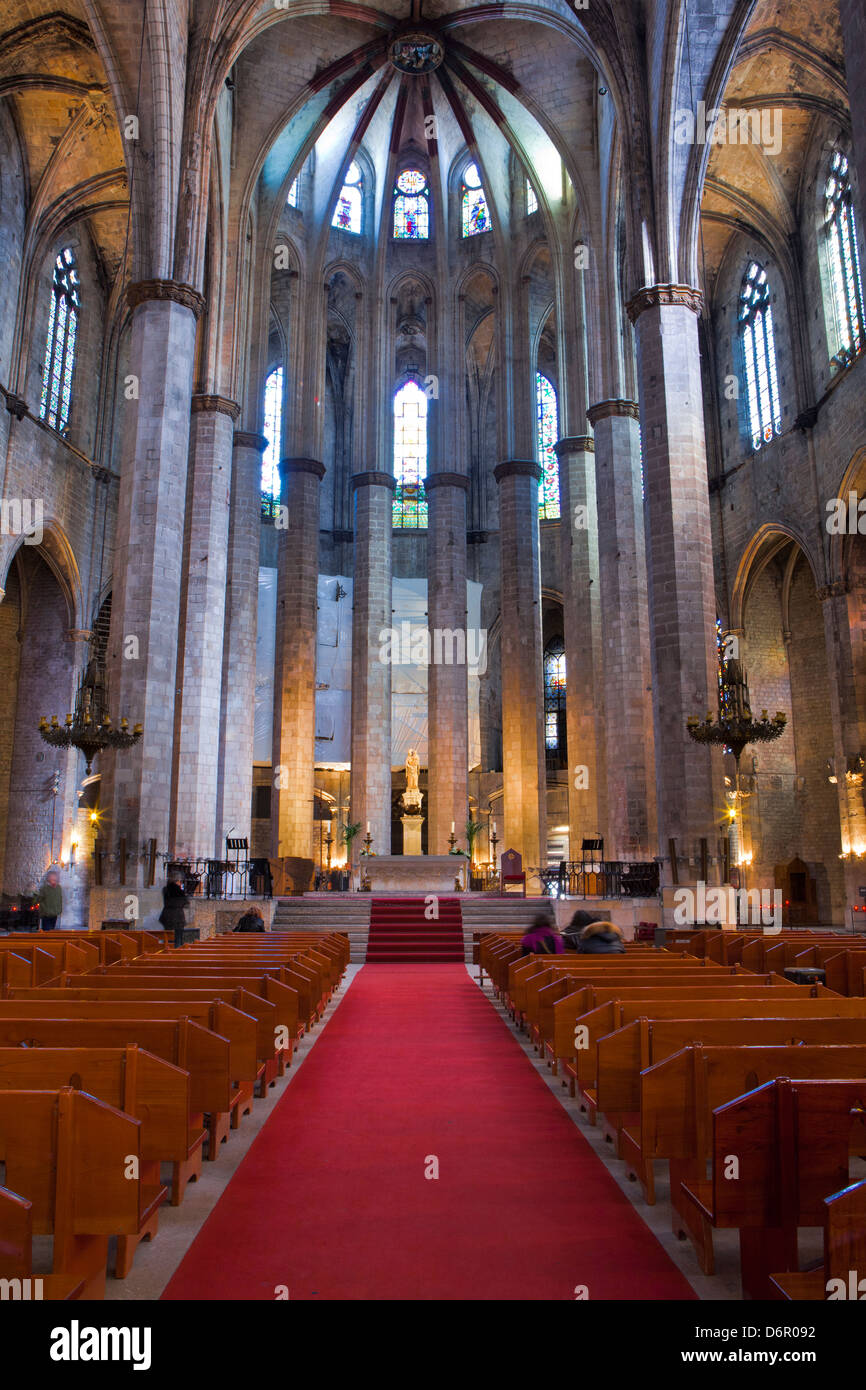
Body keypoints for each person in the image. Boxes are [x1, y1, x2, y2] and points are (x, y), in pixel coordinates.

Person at [160, 874, 190, 949]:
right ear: (177, 881)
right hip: (178, 916)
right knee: (178, 938)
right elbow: (186, 903)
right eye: (180, 882)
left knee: (168, 936)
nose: (181, 883)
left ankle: (167, 951)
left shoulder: (165, 889)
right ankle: (176, 953)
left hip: (167, 915)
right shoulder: (180, 892)